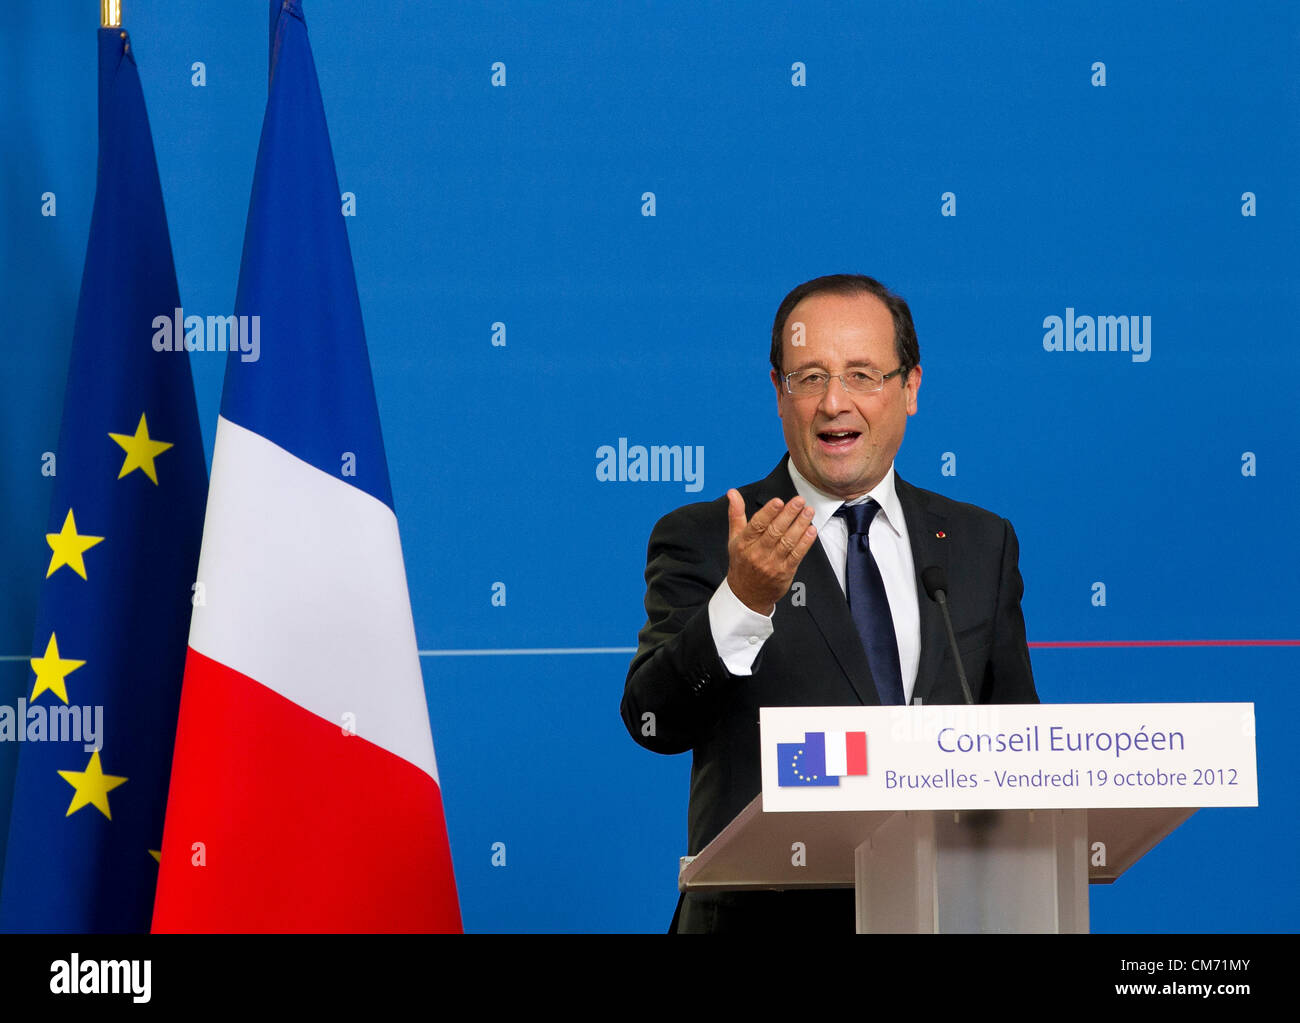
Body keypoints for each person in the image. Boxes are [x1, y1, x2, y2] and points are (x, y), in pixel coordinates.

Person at [620, 273, 1039, 934]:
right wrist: (743, 601)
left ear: (911, 387)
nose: (834, 402)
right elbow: (652, 718)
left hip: (941, 914)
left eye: (863, 374)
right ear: (778, 394)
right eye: (809, 377)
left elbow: (1018, 745)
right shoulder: (708, 537)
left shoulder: (980, 542)